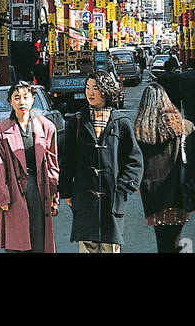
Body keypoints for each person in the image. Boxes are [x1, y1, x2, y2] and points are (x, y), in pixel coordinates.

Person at [58, 70, 143, 253]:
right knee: (86, 247)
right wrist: (66, 191)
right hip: (84, 197)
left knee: (110, 248)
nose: (90, 92)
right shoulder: (76, 121)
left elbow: (134, 161)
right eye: (87, 88)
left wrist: (122, 189)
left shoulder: (121, 122)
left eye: (95, 88)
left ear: (106, 90)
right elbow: (68, 160)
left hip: (112, 197)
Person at [134, 81, 195, 253]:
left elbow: (133, 163)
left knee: (163, 241)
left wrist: (139, 184)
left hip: (153, 196)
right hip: (180, 194)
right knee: (173, 239)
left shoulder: (140, 131)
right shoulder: (185, 127)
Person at [0, 80, 59, 253]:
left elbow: (52, 163)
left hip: (39, 186)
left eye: (26, 97)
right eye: (16, 98)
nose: (22, 102)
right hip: (14, 188)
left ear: (33, 99)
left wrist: (53, 192)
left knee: (39, 238)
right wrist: (1, 196)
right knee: (17, 241)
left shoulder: (46, 126)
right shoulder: (0, 130)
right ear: (10, 101)